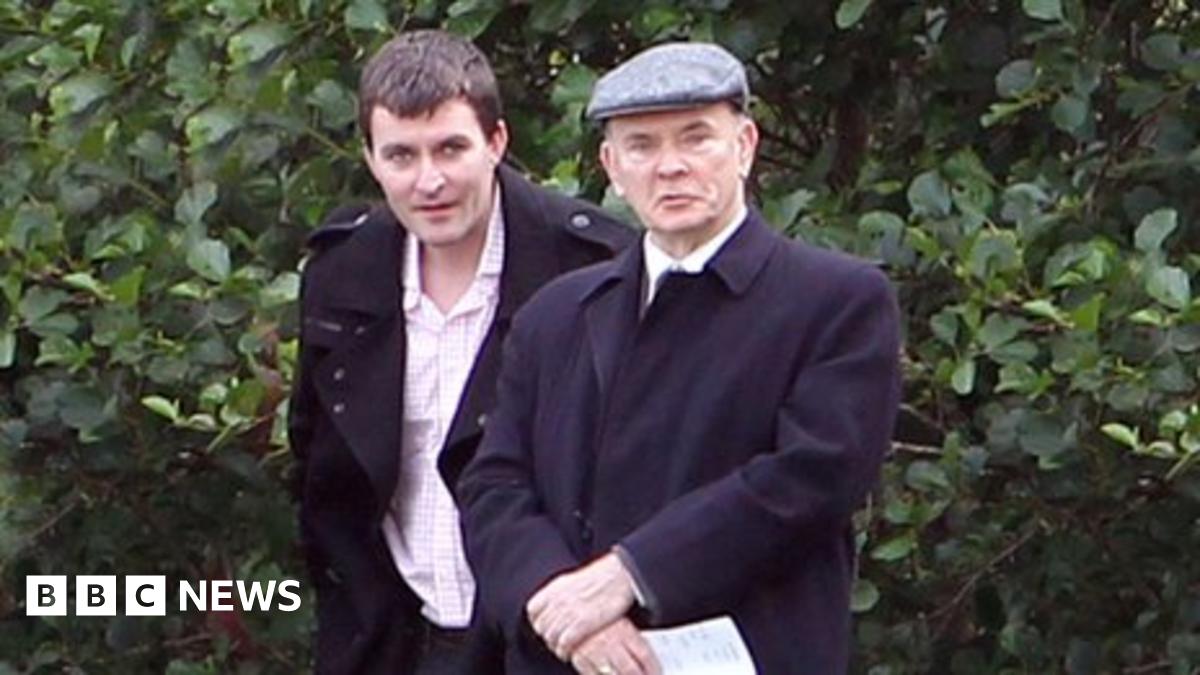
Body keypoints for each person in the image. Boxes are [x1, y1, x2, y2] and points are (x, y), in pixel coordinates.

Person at [459, 42, 901, 675]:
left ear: (745, 145)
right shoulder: (556, 315)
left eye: (696, 139)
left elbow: (812, 477)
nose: (670, 167)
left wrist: (632, 575)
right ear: (611, 166)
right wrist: (564, 606)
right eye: (642, 146)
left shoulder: (835, 301)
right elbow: (493, 485)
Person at [287, 29, 633, 675]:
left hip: (549, 642)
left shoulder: (595, 270)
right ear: (370, 157)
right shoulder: (341, 273)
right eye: (401, 155)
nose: (429, 181)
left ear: (496, 142)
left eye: (451, 148)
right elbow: (319, 462)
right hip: (394, 637)